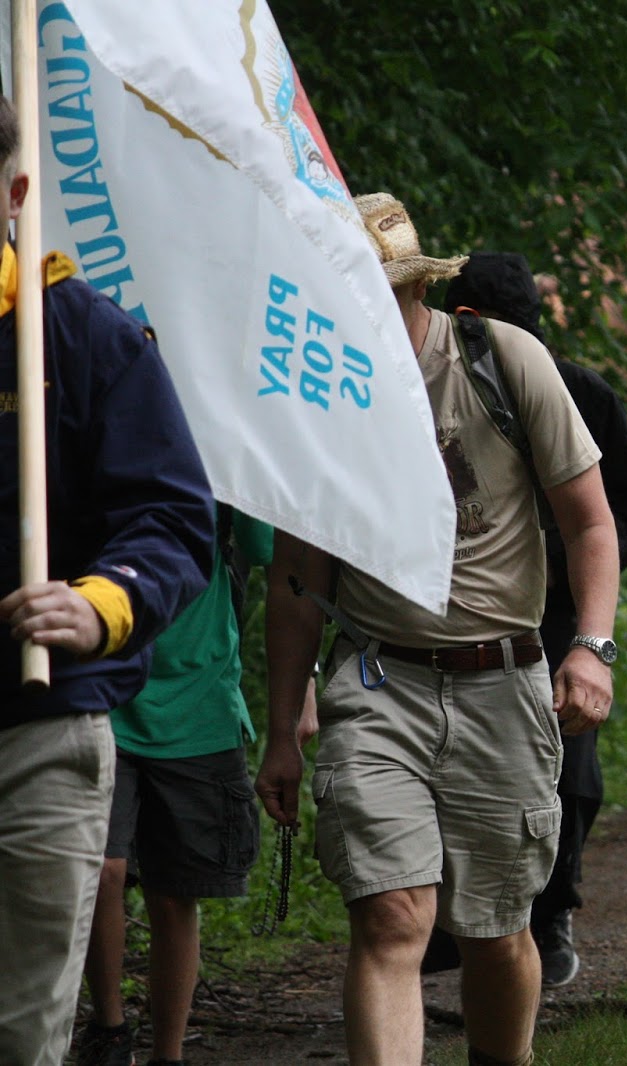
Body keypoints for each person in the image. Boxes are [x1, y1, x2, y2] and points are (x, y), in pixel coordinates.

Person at [253, 193, 620, 1066]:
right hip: (380, 683)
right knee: (391, 915)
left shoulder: (504, 361)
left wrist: (592, 645)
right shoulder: (321, 394)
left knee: (496, 929)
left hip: (503, 679)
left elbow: (592, 524)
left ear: (418, 288)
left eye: (383, 287)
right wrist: (282, 725)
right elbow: (299, 579)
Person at [0, 95, 214, 1064]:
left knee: (20, 1022)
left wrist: (99, 604)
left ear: (14, 190)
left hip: (39, 729)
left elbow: (171, 519)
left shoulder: (84, 338)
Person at [413, 251, 627, 987]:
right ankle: (450, 921)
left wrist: (562, 579)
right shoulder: (416, 389)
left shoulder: (577, 391)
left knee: (569, 767)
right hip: (444, 611)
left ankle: (550, 912)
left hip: (552, 613)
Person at [75, 507, 273, 1066]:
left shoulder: (225, 446)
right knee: (101, 867)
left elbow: (266, 550)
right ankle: (109, 1028)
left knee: (173, 893)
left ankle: (169, 1053)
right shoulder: (110, 434)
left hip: (200, 696)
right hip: (105, 683)